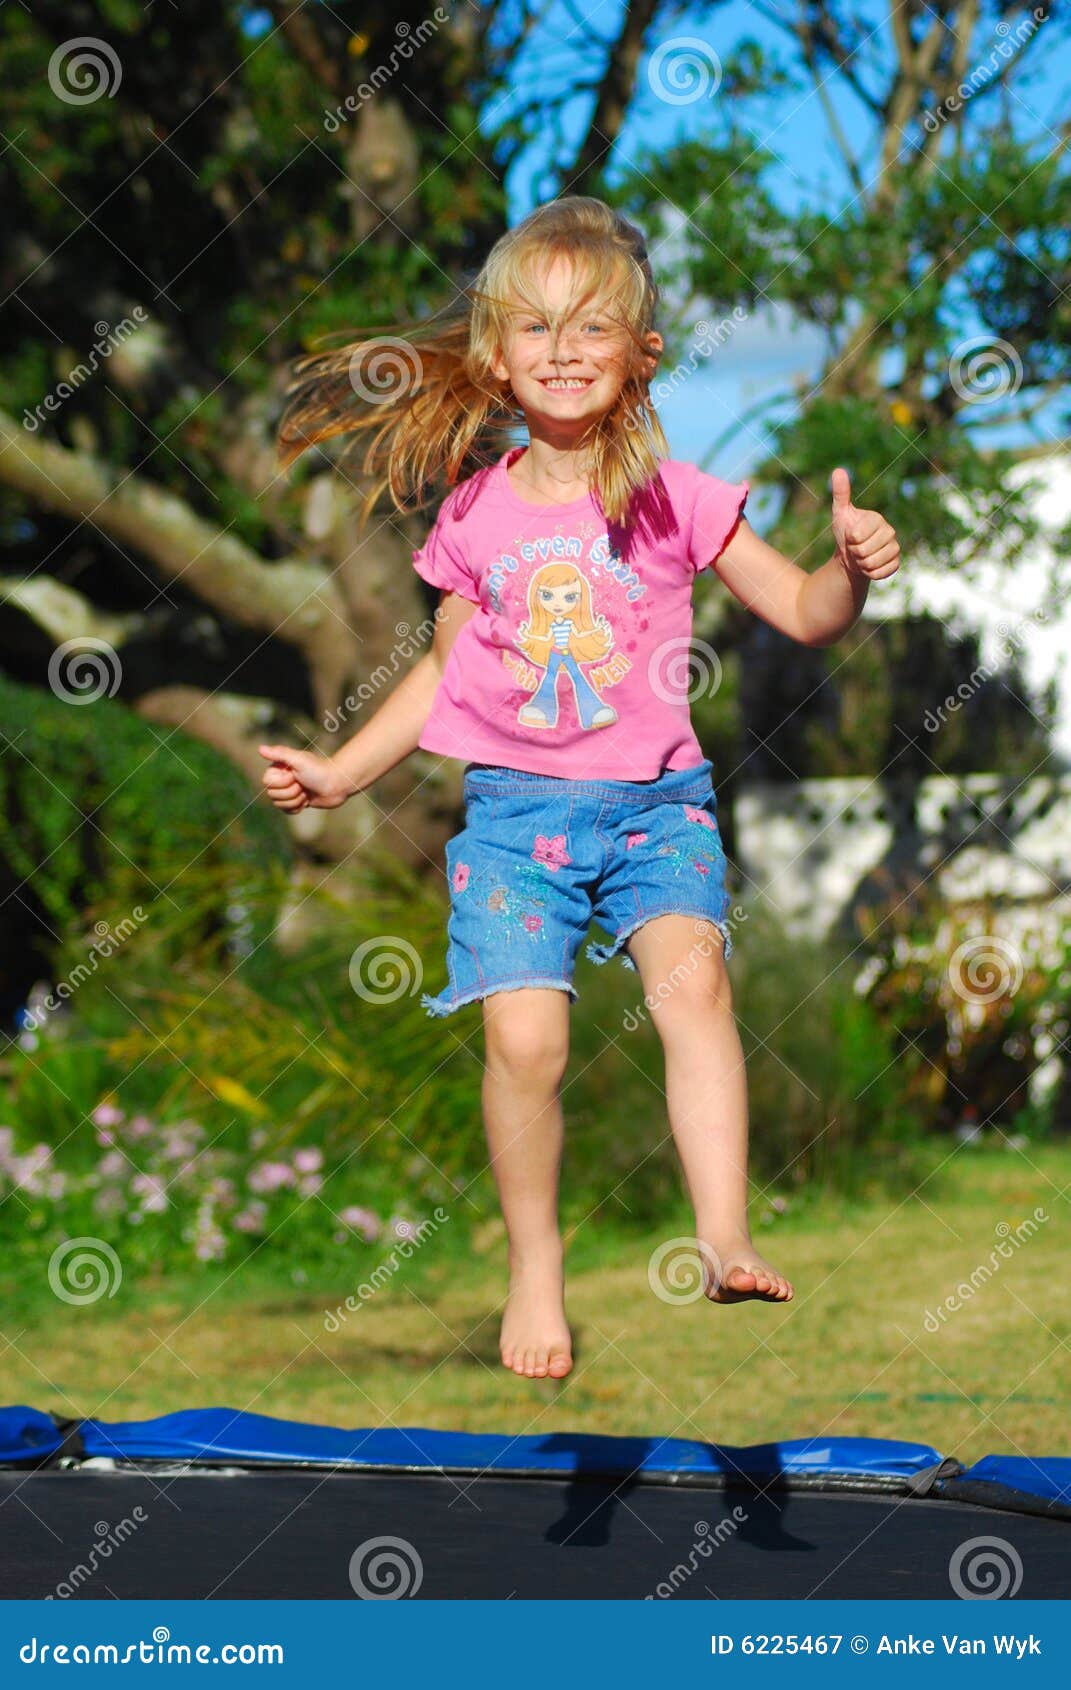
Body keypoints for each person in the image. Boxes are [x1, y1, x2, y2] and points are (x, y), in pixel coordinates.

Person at [258, 196, 901, 1381]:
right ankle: (535, 1265)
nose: (562, 349)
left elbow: (806, 614)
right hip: (513, 823)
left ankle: (723, 1234)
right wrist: (342, 771)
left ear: (640, 354)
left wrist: (848, 567)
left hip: (659, 809)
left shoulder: (676, 495)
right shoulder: (477, 512)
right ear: (496, 355)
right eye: (536, 327)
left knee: (695, 995)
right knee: (526, 1041)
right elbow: (444, 672)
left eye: (592, 327)